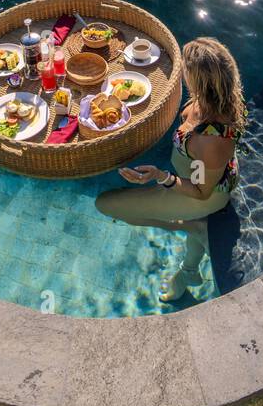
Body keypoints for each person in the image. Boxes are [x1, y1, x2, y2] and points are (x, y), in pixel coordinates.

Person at [95, 37, 246, 302]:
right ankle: (189, 269)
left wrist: (160, 176)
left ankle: (193, 228)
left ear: (198, 80)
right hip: (199, 172)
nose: (180, 71)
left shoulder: (211, 138)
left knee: (106, 204)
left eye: (185, 69)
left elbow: (200, 190)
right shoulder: (208, 99)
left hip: (200, 195)